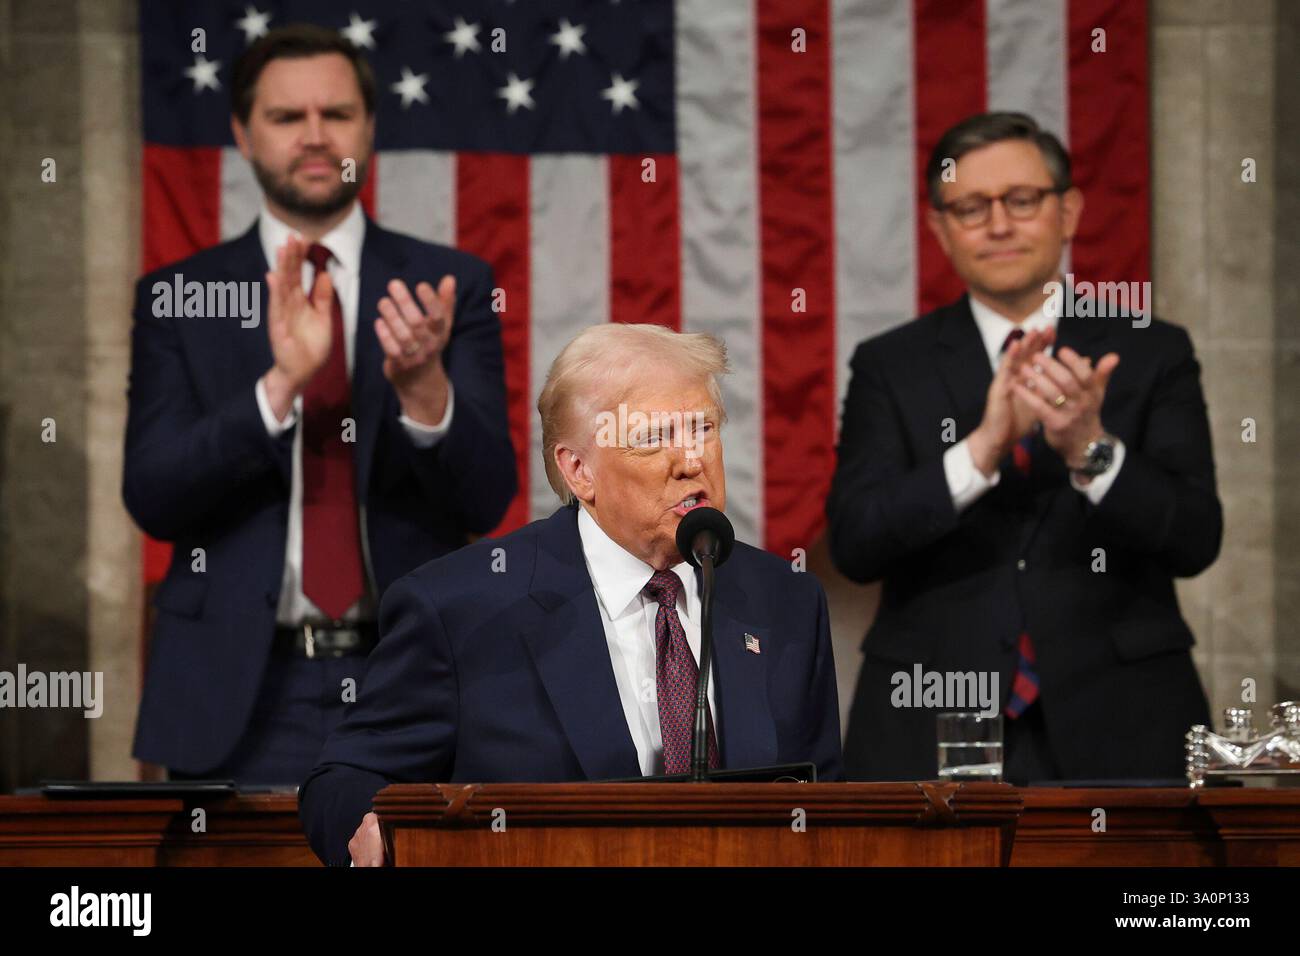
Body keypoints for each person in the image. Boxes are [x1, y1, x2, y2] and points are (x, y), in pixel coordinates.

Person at [125, 25, 516, 785]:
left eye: (336, 114)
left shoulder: (448, 286)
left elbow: (488, 496)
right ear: (242, 133)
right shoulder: (179, 297)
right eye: (285, 117)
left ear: (369, 127)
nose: (314, 136)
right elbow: (153, 496)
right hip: (240, 697)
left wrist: (423, 392)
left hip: (412, 680)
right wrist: (279, 388)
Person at [299, 323, 842, 866]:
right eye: (653, 438)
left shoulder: (786, 602)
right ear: (579, 470)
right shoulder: (460, 609)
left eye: (702, 428)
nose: (691, 462)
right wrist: (371, 839)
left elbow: (825, 812)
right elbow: (342, 779)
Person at [828, 112, 1219, 784]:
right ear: (939, 227)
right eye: (971, 207)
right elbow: (856, 543)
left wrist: (1089, 449)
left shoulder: (1153, 351)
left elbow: (1195, 539)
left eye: (1021, 200)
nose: (999, 224)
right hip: (930, 721)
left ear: (1067, 211)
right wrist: (980, 451)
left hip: (1125, 722)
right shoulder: (891, 364)